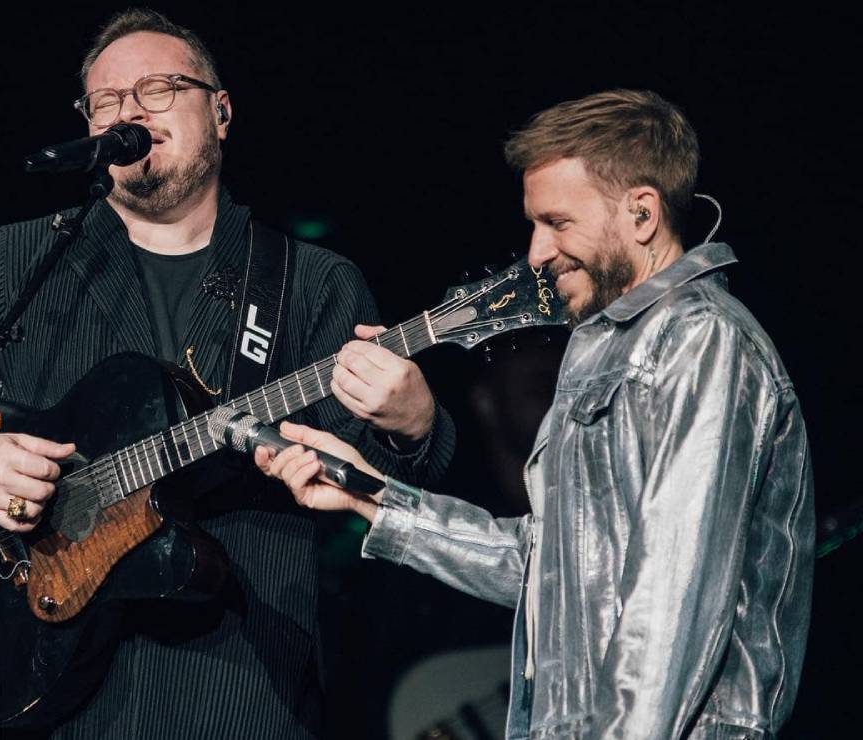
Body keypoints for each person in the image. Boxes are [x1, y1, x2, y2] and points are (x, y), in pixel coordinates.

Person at [0, 8, 455, 739]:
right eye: (107, 102)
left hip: (238, 690)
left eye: (156, 89)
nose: (129, 112)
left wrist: (411, 428)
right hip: (39, 686)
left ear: (221, 110)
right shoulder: (25, 258)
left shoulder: (311, 282)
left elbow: (368, 493)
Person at [257, 90, 814, 739]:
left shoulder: (702, 343)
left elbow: (672, 605)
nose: (537, 253)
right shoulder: (604, 348)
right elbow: (548, 566)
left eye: (558, 222)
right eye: (534, 225)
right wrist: (371, 497)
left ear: (641, 213)